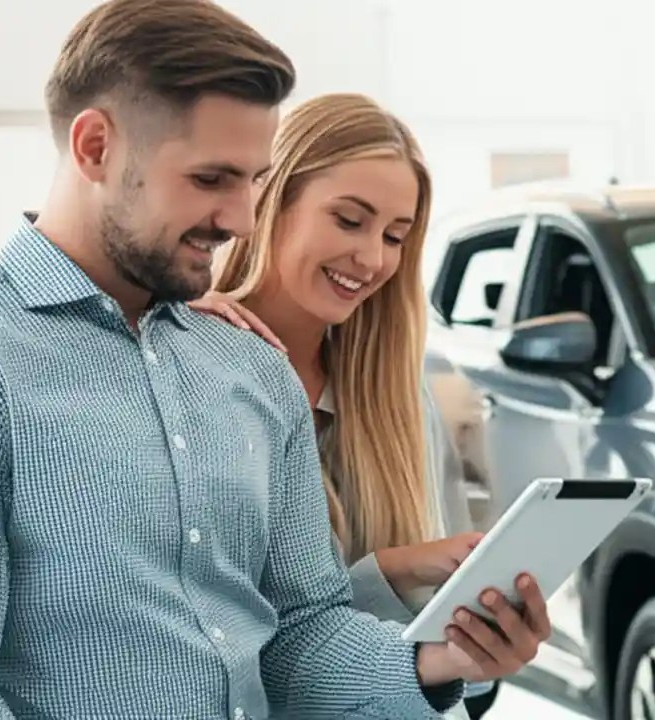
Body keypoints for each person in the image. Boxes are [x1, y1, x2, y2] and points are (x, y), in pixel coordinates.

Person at [0, 1, 547, 717]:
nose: (243, 220)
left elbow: (300, 634)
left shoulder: (252, 370)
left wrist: (442, 661)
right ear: (95, 148)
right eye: (212, 179)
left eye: (254, 181)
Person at [190, 93, 540, 718]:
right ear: (271, 200)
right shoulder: (186, 375)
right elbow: (229, 643)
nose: (373, 258)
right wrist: (390, 572)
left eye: (395, 235)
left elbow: (460, 688)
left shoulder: (399, 403)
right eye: (349, 221)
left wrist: (481, 649)